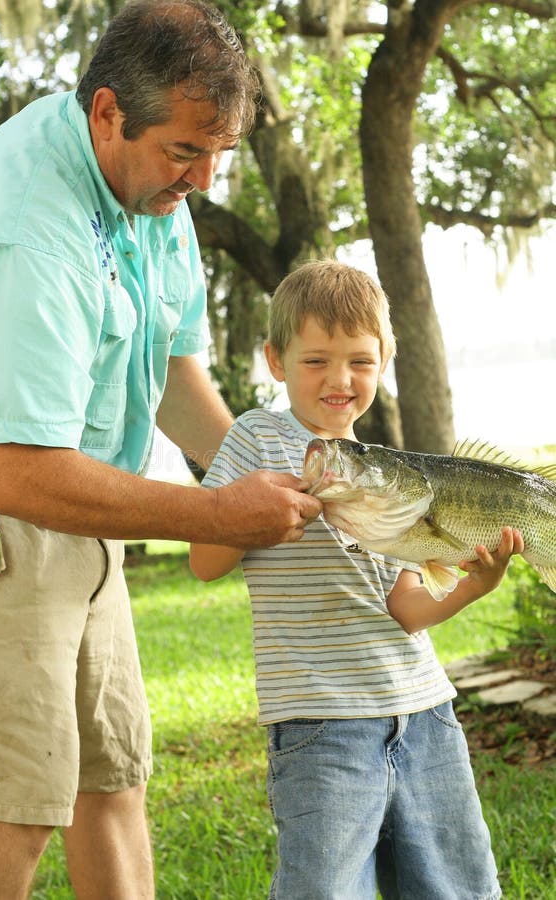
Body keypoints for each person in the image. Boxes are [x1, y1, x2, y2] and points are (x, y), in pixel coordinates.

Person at [0, 2, 322, 897]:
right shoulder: (24, 224)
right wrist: (216, 511)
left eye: (217, 155)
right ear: (109, 112)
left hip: (86, 512)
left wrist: (282, 469)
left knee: (112, 781)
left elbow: (168, 377)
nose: (200, 179)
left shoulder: (148, 186)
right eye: (186, 153)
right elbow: (10, 469)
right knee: (21, 800)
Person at [189, 259, 524, 900]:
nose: (339, 379)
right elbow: (205, 562)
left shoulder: (383, 473)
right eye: (316, 360)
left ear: (384, 361)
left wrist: (474, 586)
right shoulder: (256, 438)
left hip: (425, 712)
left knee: (458, 887)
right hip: (320, 724)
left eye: (359, 362)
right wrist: (257, 514)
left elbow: (407, 607)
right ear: (276, 361)